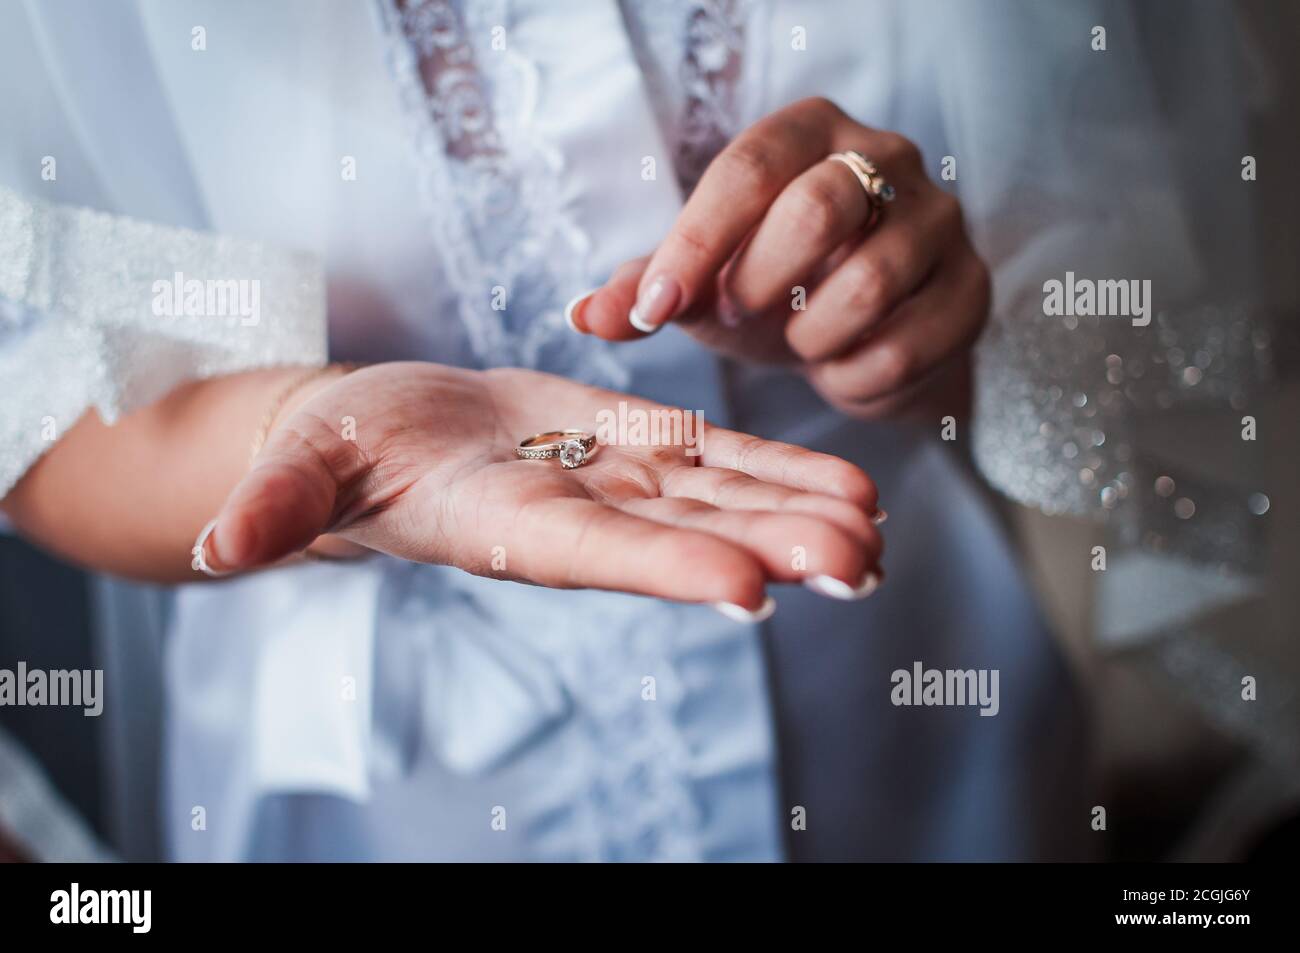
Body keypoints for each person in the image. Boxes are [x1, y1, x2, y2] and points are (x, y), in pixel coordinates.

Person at [0, 0, 1104, 861]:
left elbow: (1124, 267)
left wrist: (919, 318)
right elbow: (27, 396)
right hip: (399, 795)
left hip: (907, 702)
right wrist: (310, 436)